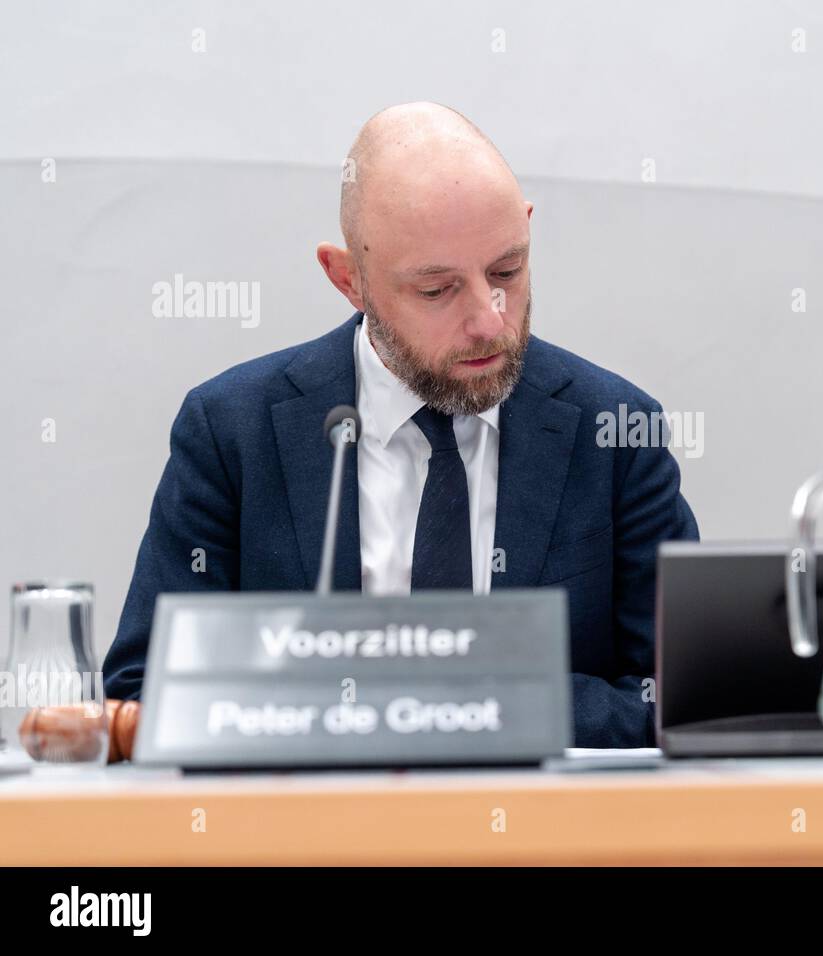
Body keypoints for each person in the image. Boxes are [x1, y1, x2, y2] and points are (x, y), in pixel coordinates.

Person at [102, 102, 698, 749]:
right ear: (348, 280)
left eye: (507, 271)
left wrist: (472, 697)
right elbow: (143, 692)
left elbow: (684, 699)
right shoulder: (232, 433)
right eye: (437, 290)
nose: (489, 320)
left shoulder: (617, 433)